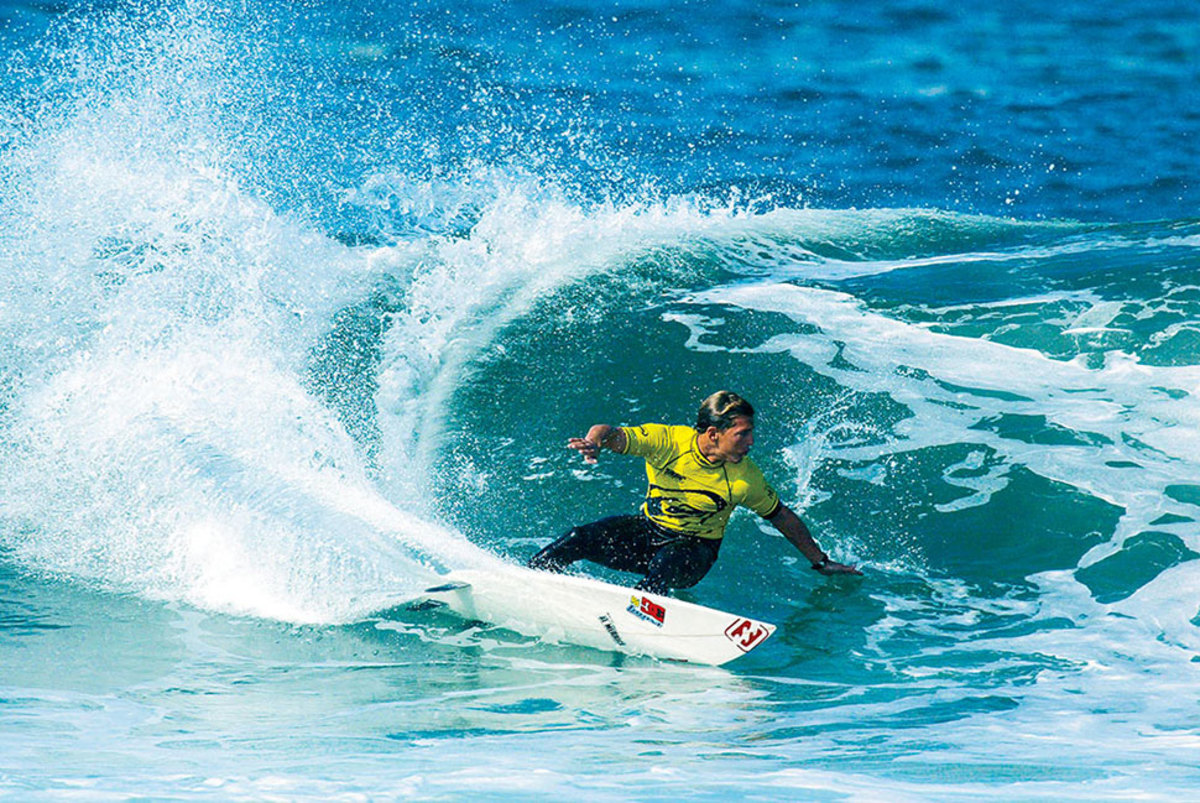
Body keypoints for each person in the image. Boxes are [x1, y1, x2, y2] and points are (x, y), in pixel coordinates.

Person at [528, 390, 860, 594]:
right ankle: (527, 583)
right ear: (714, 433)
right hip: (648, 532)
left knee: (666, 563)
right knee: (578, 538)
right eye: (742, 434)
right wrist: (593, 442)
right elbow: (608, 432)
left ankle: (641, 618)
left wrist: (820, 562)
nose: (751, 442)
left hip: (694, 553)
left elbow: (782, 517)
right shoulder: (667, 441)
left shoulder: (745, 479)